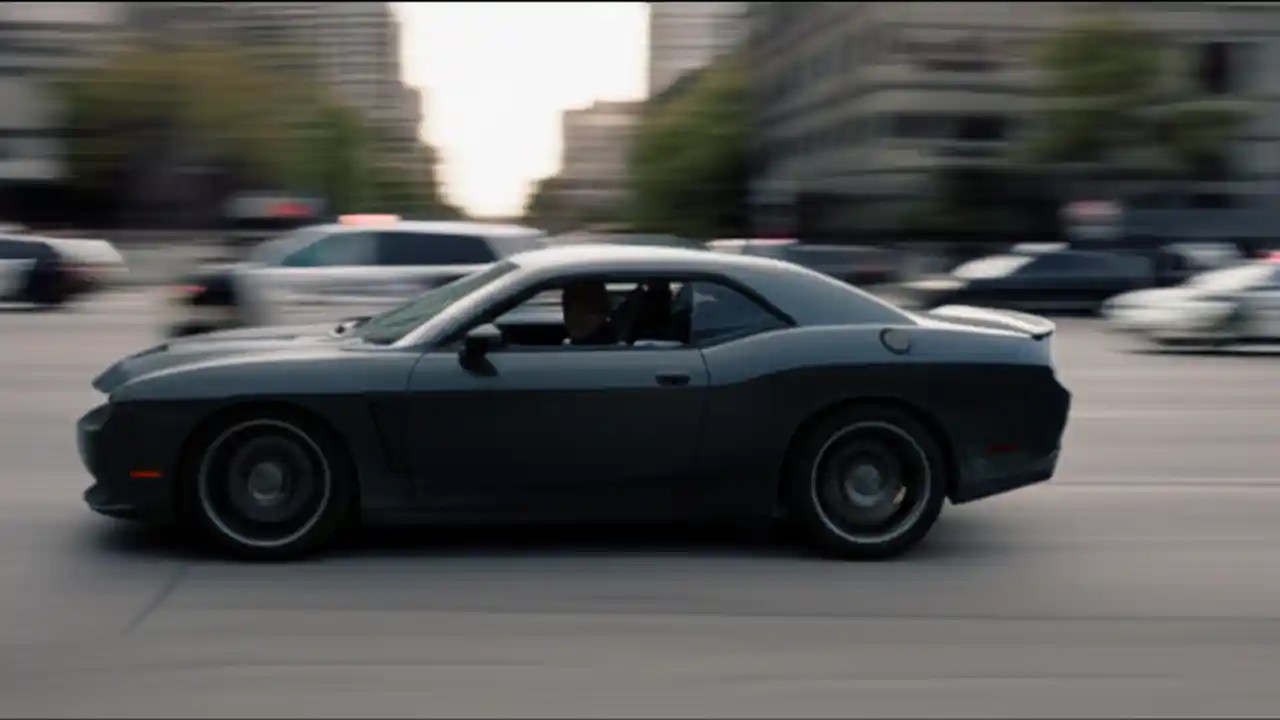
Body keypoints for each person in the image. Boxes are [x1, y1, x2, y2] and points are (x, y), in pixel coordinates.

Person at [561, 279, 619, 345]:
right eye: (568, 307)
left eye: (585, 307)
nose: (575, 316)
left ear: (603, 313)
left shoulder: (612, 349)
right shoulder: (566, 347)